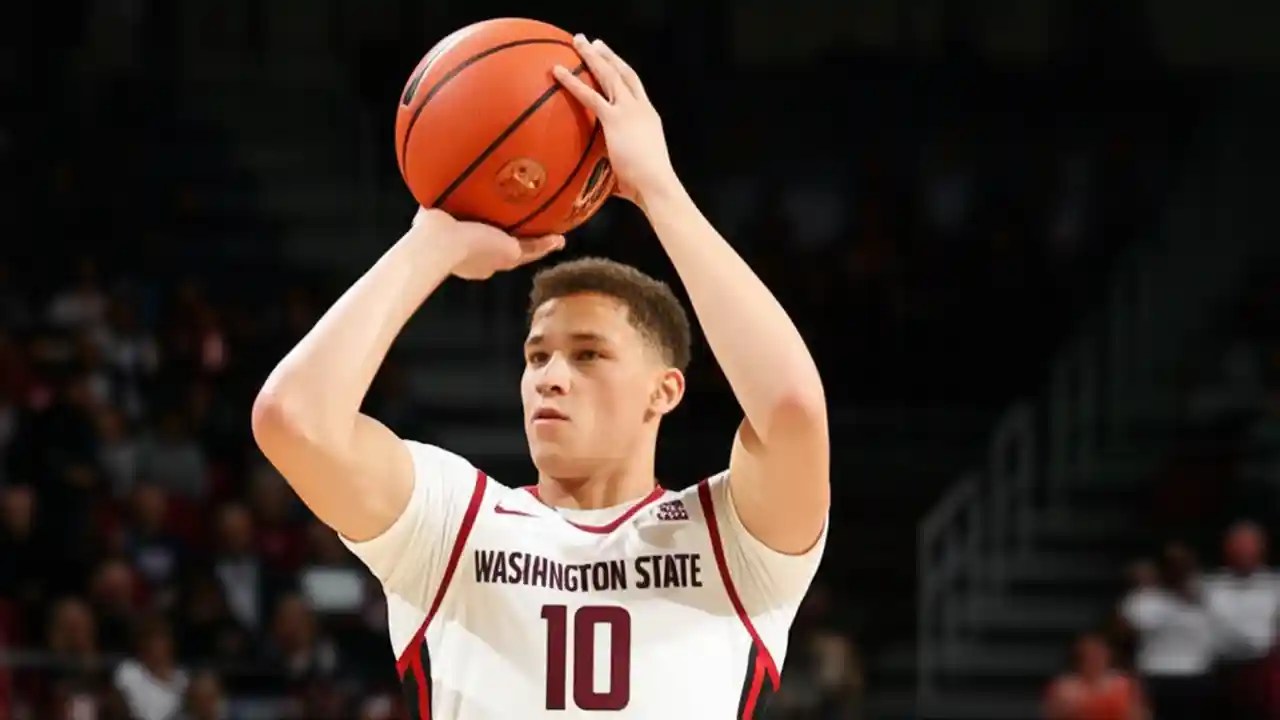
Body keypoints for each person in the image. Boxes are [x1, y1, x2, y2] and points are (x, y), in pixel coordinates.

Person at [252, 34, 829, 719]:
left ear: (665, 389)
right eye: (536, 357)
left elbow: (791, 411)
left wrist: (660, 191)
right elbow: (293, 420)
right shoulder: (453, 525)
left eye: (588, 355)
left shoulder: (731, 541)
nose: (551, 378)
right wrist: (430, 244)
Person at [1043, 633, 1147, 720]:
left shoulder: (1124, 684)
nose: (1094, 659)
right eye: (1089, 655)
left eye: (1098, 654)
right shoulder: (1063, 687)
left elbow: (1138, 715)